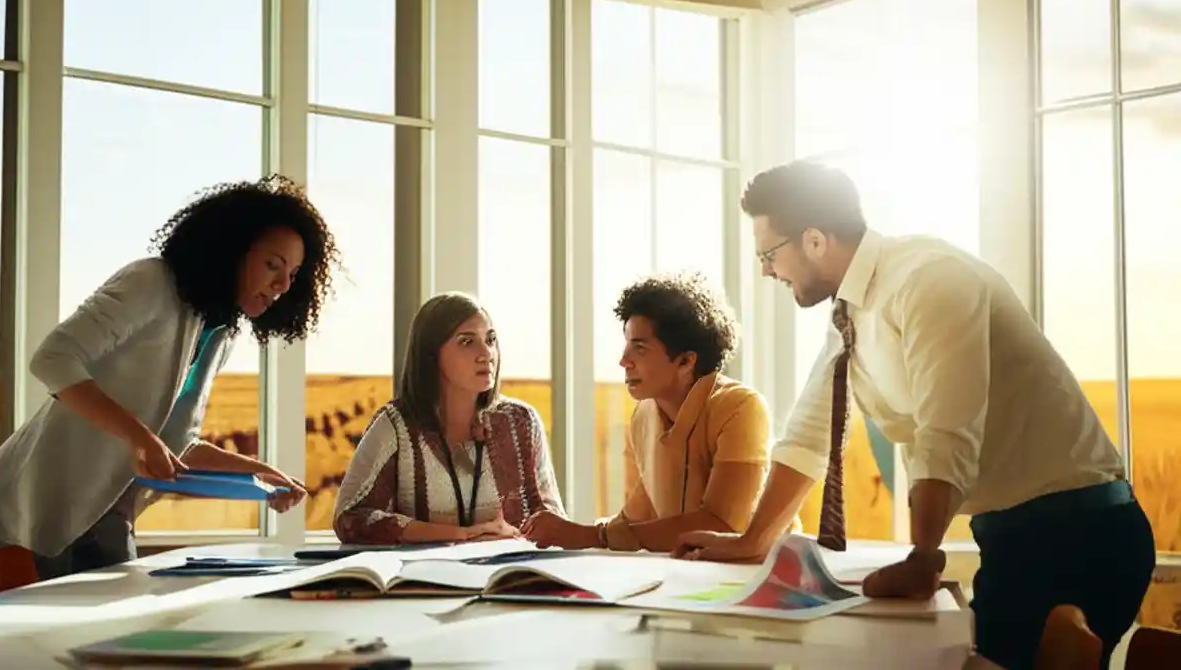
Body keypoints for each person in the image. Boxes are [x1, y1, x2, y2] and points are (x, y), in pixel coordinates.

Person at [673, 161, 1154, 670]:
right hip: (1013, 537)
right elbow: (808, 436)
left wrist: (923, 557)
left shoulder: (930, 280)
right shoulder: (850, 314)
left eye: (769, 254)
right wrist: (752, 542)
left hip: (1082, 535)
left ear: (814, 241)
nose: (766, 271)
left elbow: (947, 431)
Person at [0, 175, 335, 579]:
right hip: (34, 508)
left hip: (107, 519)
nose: (282, 285)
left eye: (293, 273)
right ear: (231, 249)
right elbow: (53, 359)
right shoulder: (151, 281)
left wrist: (257, 472)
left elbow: (175, 444)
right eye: (272, 265)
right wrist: (139, 437)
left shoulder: (219, 333)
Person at [523, 272, 770, 552]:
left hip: (755, 571)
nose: (623, 361)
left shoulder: (741, 407)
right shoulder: (644, 415)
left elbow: (723, 525)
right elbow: (634, 521)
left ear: (686, 361)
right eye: (626, 345)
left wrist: (589, 535)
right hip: (687, 571)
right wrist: (566, 532)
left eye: (639, 348)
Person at [333, 292, 564, 543]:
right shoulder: (396, 425)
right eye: (467, 342)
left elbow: (551, 518)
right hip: (422, 569)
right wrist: (459, 535)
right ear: (431, 354)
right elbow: (351, 518)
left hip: (510, 566)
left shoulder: (521, 422)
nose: (486, 353)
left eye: (490, 340)